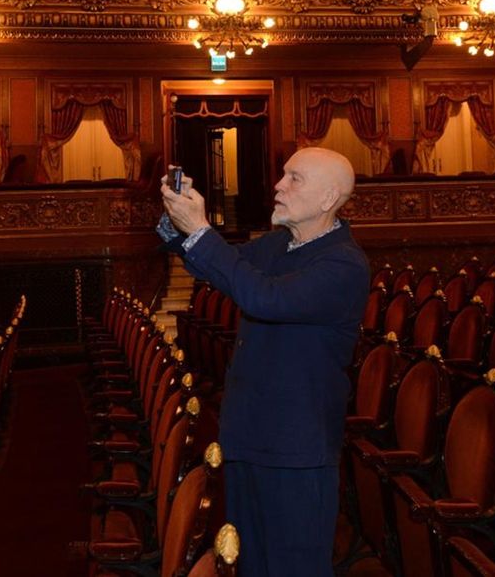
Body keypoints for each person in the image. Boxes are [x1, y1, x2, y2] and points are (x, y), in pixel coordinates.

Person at [157, 147, 369, 577]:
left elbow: (264, 298)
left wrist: (200, 230)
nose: (278, 185)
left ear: (329, 199)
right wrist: (178, 224)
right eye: (283, 175)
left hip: (295, 446)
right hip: (248, 432)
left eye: (294, 178)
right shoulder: (282, 244)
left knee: (293, 567)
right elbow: (222, 269)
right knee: (250, 563)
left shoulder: (343, 263)